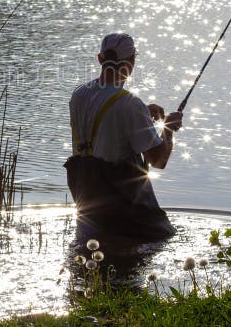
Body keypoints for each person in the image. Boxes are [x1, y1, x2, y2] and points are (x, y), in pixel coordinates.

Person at [64, 32, 183, 241]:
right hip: (125, 215)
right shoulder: (129, 104)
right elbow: (158, 161)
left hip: (88, 209)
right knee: (168, 238)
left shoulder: (78, 95)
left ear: (100, 59)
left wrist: (143, 114)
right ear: (131, 62)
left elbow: (103, 125)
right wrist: (169, 129)